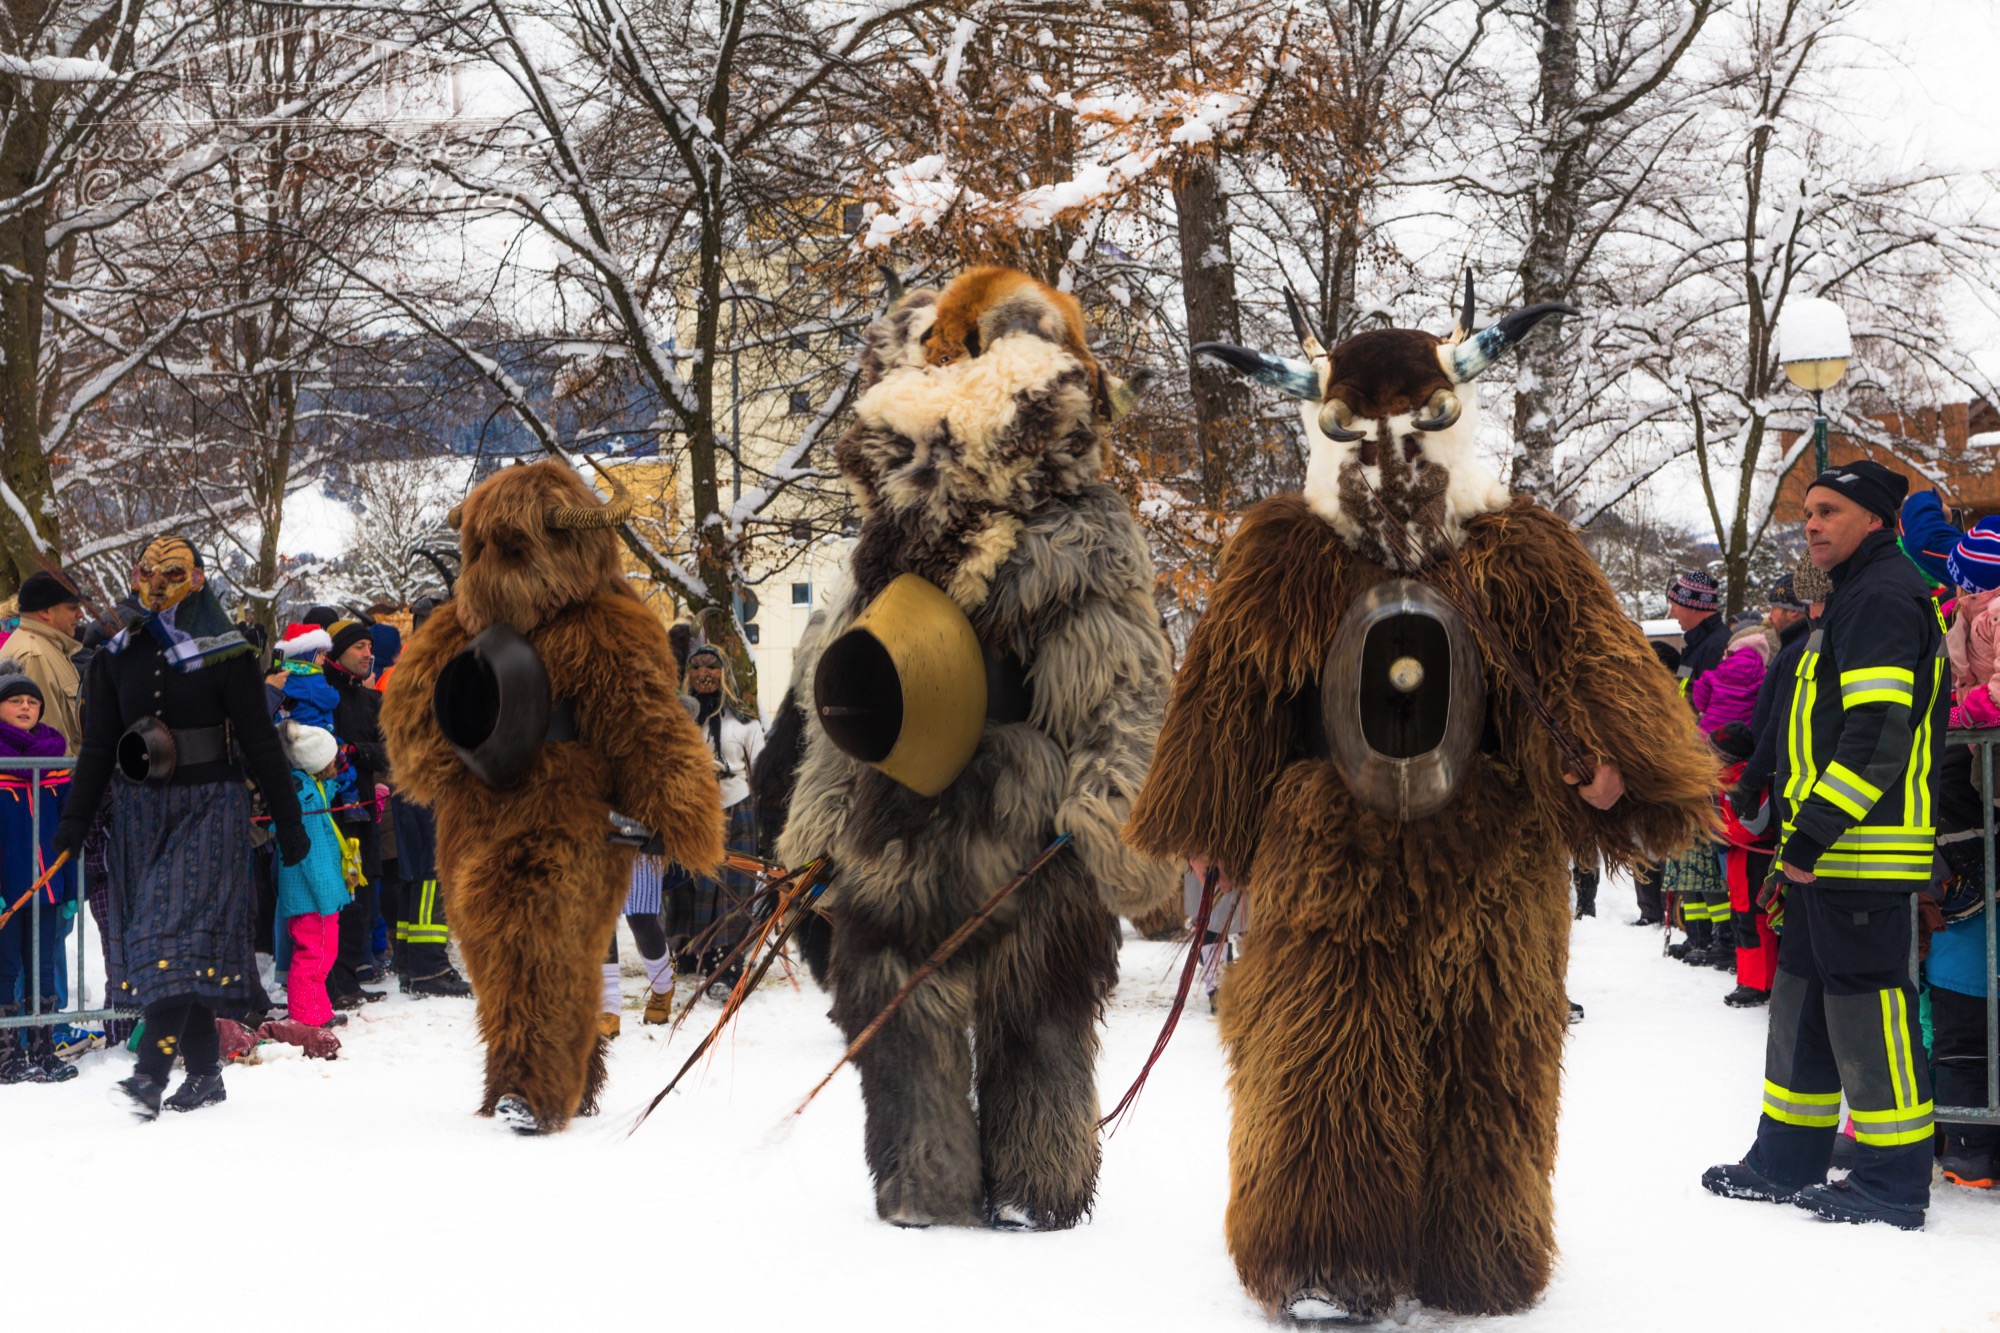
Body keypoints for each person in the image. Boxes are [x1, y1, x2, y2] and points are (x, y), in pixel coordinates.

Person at [1703, 458, 1947, 1230]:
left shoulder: (1881, 596)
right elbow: (1808, 723)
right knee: (1803, 999)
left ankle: (1893, 1179)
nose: (1811, 522)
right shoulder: (1850, 595)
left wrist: (1809, 832)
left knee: (1869, 1008)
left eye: (1829, 510)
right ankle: (1787, 1155)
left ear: (1874, 519)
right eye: (1807, 509)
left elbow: (1878, 733)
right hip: (1828, 850)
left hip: (1863, 851)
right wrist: (1757, 795)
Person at [51, 535, 309, 1119]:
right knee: (159, 942)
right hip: (140, 811)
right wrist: (74, 821)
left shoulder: (227, 651)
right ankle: (207, 1073)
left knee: (173, 936)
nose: (159, 582)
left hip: (210, 809)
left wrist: (289, 820)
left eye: (173, 572)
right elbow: (97, 750)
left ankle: (149, 1075)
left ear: (197, 578)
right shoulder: (118, 655)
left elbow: (260, 741)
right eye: (148, 571)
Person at [660, 643, 764, 998]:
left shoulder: (745, 722)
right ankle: (693, 950)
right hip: (694, 809)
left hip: (738, 808)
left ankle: (727, 963)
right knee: (694, 883)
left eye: (711, 665)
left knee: (734, 888)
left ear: (724, 672)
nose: (704, 673)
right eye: (696, 667)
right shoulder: (680, 720)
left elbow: (761, 771)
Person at [0, 665, 77, 1083]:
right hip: (7, 890)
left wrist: (68, 886)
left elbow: (70, 827)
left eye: (32, 701)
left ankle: (43, 1047)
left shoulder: (54, 758)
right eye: (15, 700)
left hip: (47, 886)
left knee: (43, 966)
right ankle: (6, 1054)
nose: (26, 706)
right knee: (6, 967)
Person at [322, 620, 390, 1006]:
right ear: (338, 651)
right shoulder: (320, 693)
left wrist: (357, 752)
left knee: (362, 899)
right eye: (359, 646)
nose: (368, 654)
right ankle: (328, 982)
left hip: (364, 814)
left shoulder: (370, 701)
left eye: (370, 647)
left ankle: (348, 978)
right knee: (334, 901)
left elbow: (392, 751)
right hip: (328, 817)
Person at [273, 723, 351, 1030]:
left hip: (316, 896)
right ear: (319, 764)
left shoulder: (313, 790)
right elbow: (313, 857)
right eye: (332, 759)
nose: (336, 763)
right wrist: (326, 896)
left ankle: (317, 1010)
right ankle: (306, 1016)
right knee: (313, 957)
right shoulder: (304, 799)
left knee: (321, 955)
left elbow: (327, 788)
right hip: (313, 897)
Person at [7, 570, 85, 753]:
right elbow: (47, 739)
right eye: (72, 608)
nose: (80, 615)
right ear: (45, 612)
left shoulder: (49, 648)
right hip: (54, 779)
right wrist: (77, 779)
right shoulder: (35, 656)